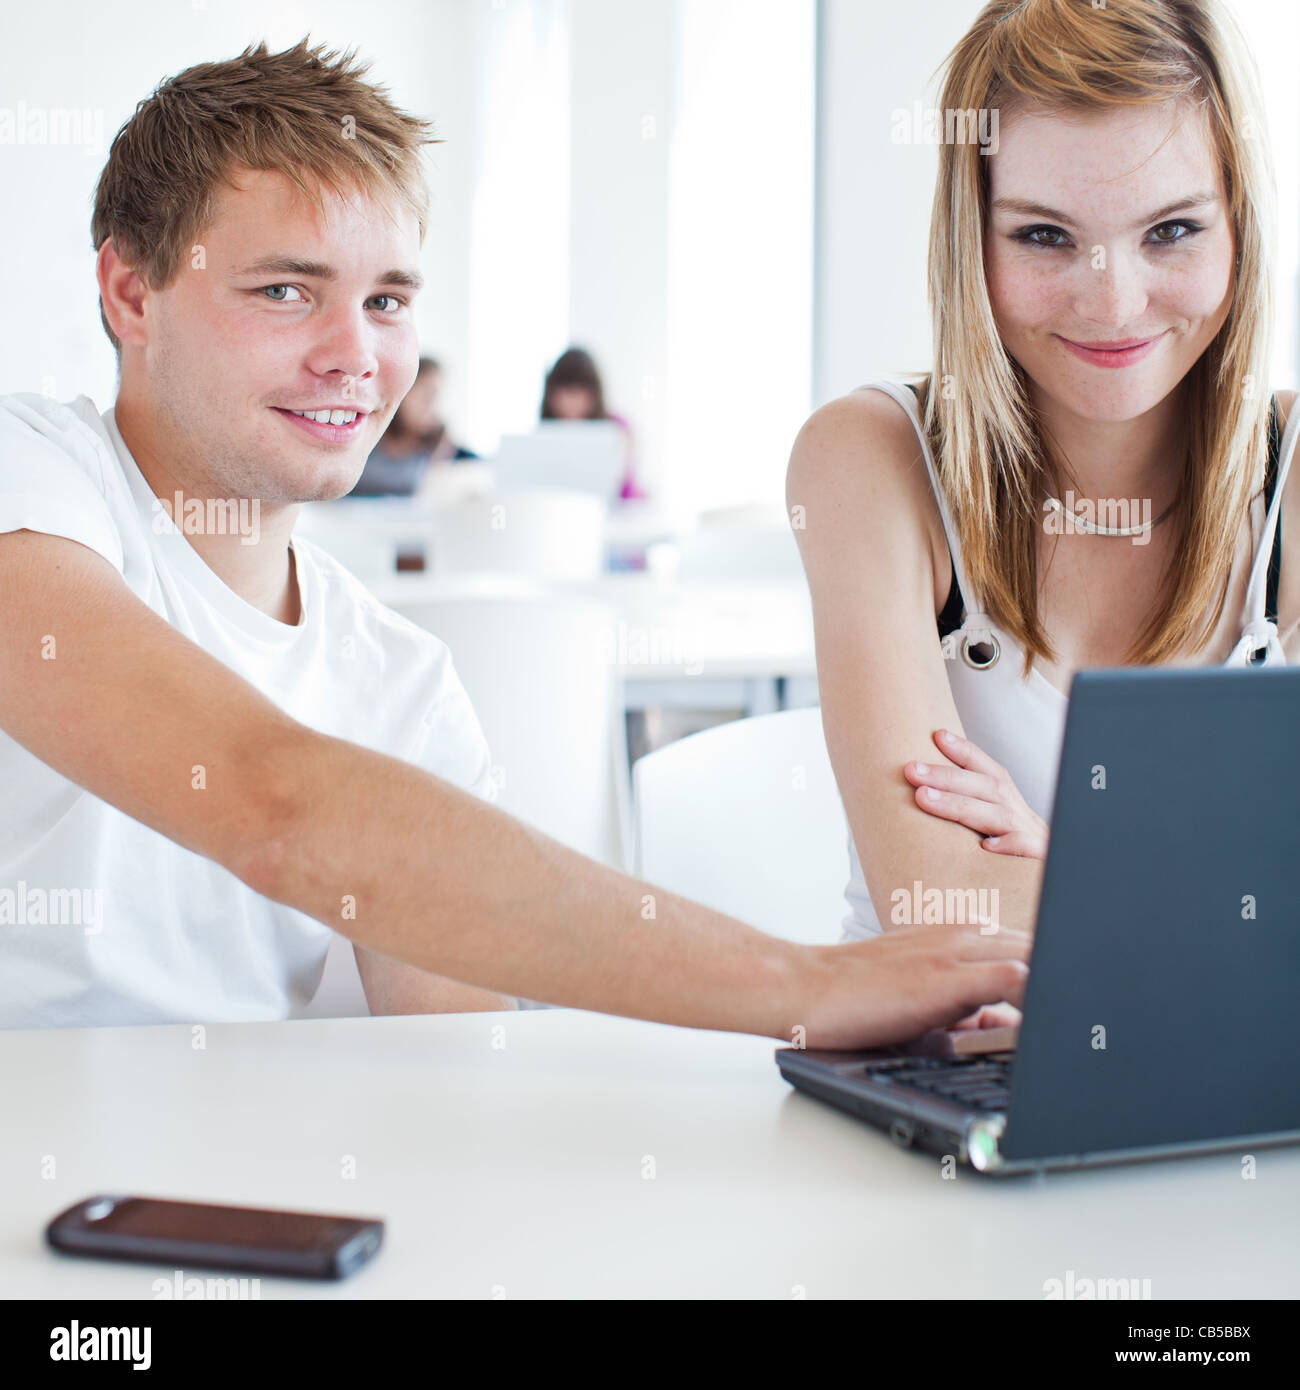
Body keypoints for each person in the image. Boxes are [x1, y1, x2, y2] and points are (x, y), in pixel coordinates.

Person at [0, 37, 1028, 1043]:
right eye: (285, 290)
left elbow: (459, 1067)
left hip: (214, 1195)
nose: (355, 356)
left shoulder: (399, 683)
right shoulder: (31, 475)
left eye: (387, 300)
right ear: (132, 293)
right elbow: (277, 798)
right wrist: (797, 983)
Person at [787, 0, 1296, 946]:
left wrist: (1054, 864)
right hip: (942, 1065)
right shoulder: (869, 460)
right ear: (970, 240)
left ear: (1240, 228)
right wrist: (1206, 888)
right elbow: (932, 900)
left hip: (1237, 1083)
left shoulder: (1293, 473)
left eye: (1173, 230)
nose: (1113, 301)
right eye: (1044, 236)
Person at [349, 355, 476, 497]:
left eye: (437, 398)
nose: (433, 407)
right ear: (403, 393)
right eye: (427, 396)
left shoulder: (441, 444)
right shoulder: (367, 431)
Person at [541, 347, 646, 500]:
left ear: (594, 394)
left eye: (578, 392)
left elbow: (626, 491)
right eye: (564, 392)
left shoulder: (617, 429)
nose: (571, 401)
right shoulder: (542, 435)